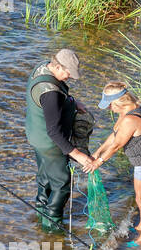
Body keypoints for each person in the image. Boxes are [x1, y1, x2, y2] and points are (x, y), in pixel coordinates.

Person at [86, 81, 141, 247]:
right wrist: (98, 151)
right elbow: (116, 134)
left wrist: (98, 162)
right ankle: (140, 225)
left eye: (109, 105)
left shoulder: (131, 120)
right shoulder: (134, 107)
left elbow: (116, 146)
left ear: (119, 103)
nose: (109, 109)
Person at [24, 48, 96, 230]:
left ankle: (40, 211)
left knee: (46, 176)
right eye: (68, 73)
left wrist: (71, 102)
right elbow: (54, 132)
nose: (69, 77)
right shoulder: (51, 93)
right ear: (57, 66)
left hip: (34, 135)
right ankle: (51, 226)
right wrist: (78, 154)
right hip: (50, 144)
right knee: (62, 182)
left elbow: (53, 102)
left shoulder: (41, 68)